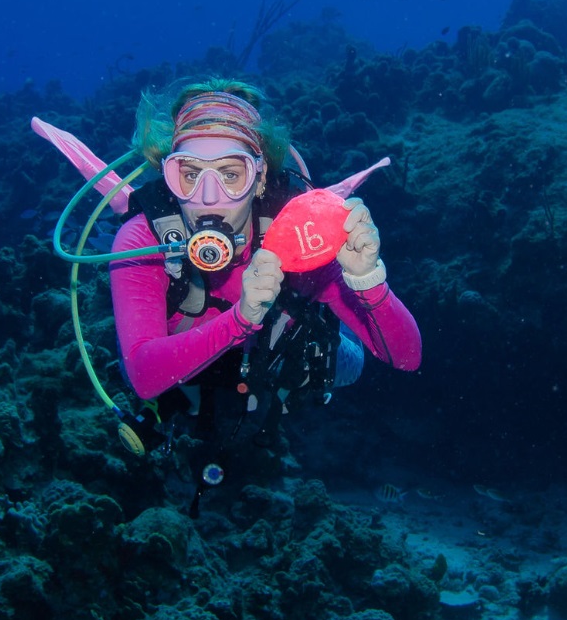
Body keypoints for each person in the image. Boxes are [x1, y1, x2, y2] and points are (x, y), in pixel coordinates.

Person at [106, 78, 421, 514]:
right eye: (190, 174)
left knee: (349, 363)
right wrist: (242, 316)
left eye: (231, 174)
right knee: (166, 389)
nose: (209, 198)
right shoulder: (143, 239)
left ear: (259, 180)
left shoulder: (299, 239)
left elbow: (406, 356)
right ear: (169, 176)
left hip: (280, 364)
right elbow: (142, 375)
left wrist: (368, 280)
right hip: (190, 371)